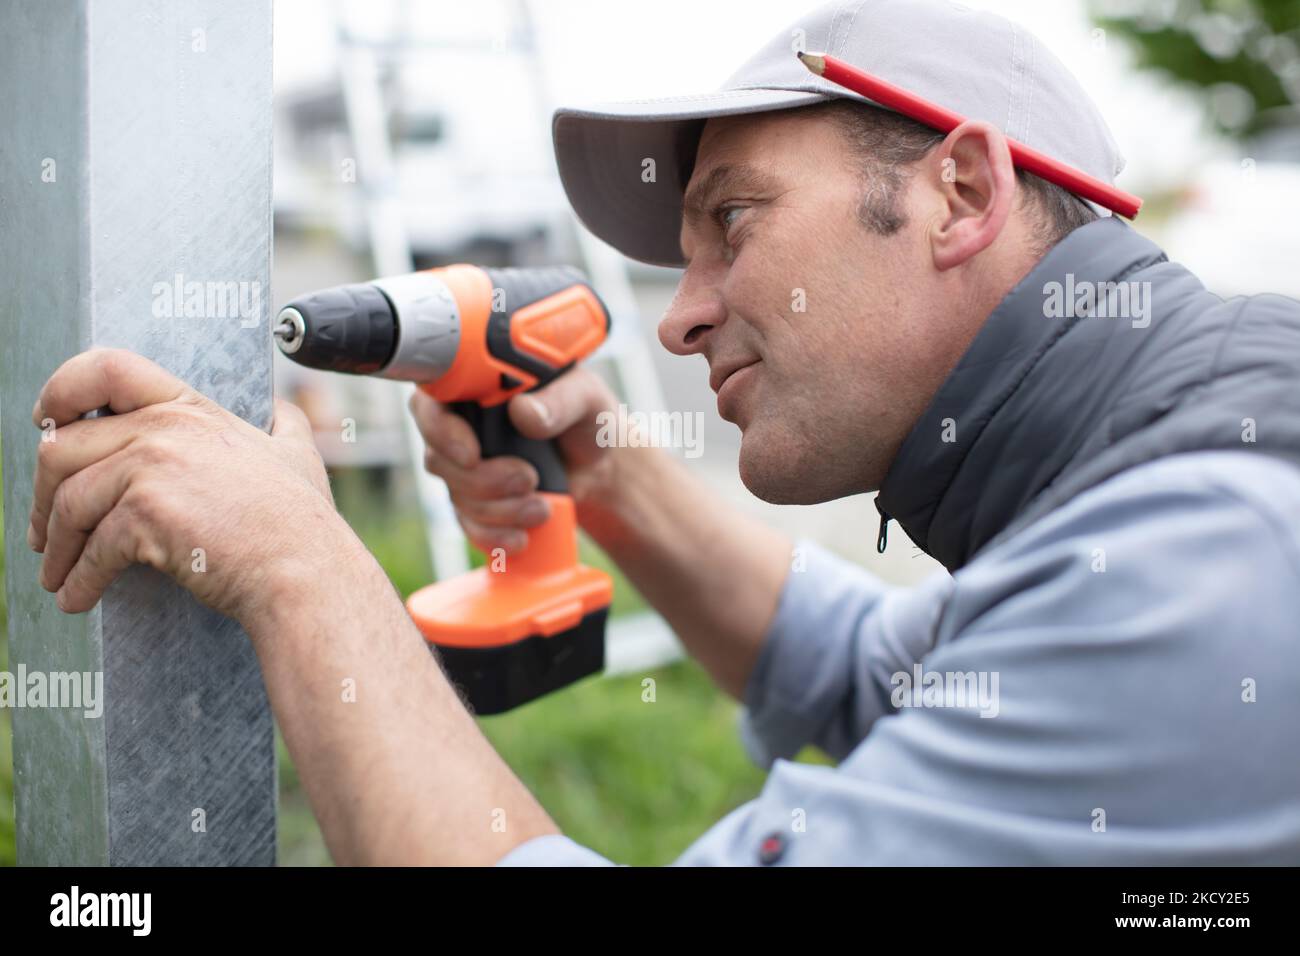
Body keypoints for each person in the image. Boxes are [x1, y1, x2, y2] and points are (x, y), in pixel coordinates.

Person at [27, 0, 1300, 865]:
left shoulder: (1204, 561)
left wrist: (299, 566)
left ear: (959, 191)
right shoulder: (1183, 429)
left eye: (732, 222)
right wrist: (611, 482)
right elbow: (888, 676)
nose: (680, 321)